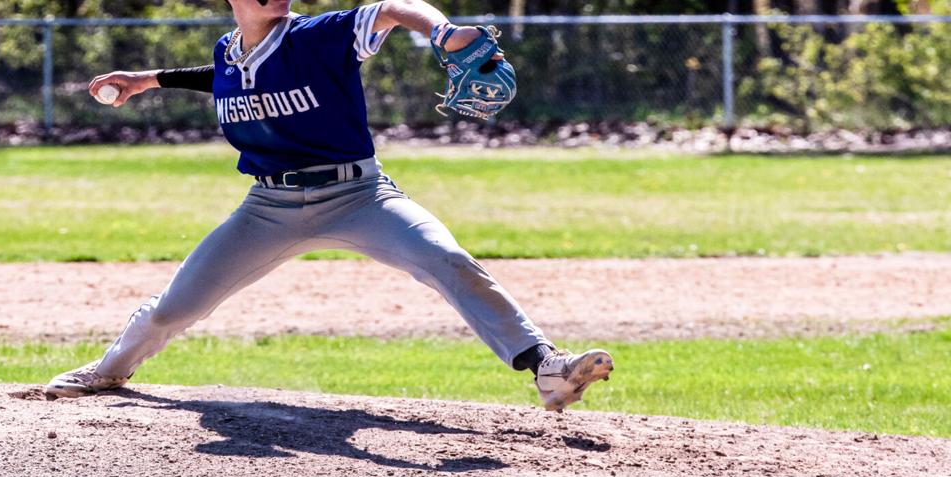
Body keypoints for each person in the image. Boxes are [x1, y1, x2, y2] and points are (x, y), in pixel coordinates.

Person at [46, 0, 614, 414]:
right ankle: (109, 372)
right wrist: (148, 80)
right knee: (174, 309)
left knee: (448, 260)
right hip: (268, 208)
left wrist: (441, 34)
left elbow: (393, 8)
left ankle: (546, 366)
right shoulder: (229, 52)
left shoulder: (320, 37)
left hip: (360, 196)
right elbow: (223, 76)